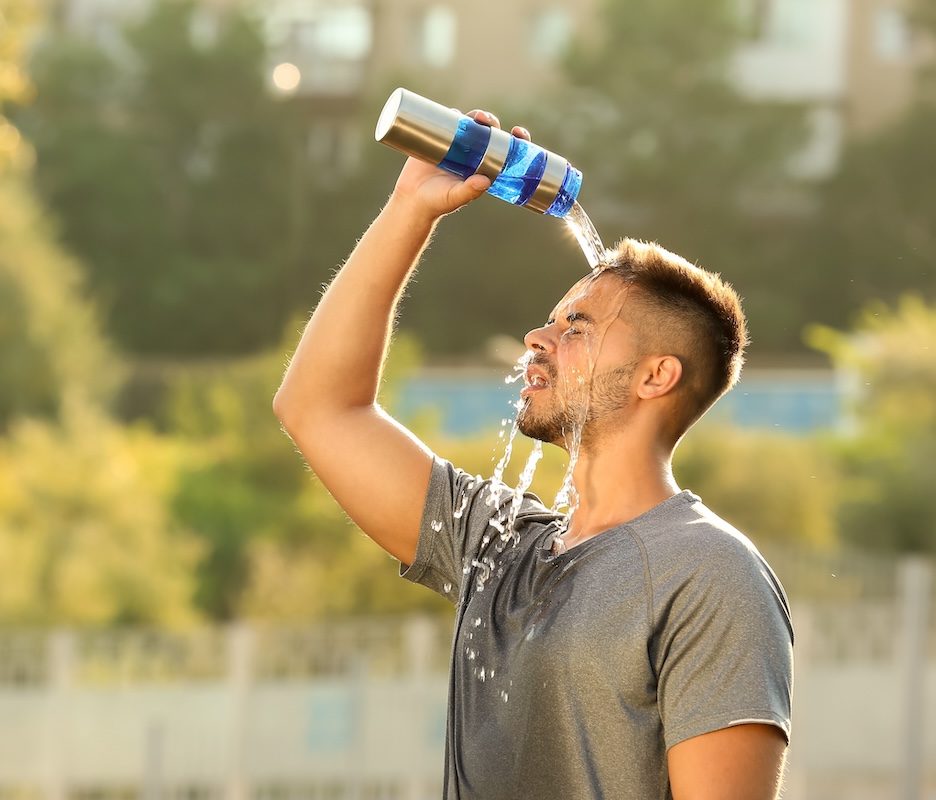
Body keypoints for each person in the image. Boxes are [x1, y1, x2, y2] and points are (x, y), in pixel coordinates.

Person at [272, 110, 793, 799]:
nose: (537, 339)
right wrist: (410, 209)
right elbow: (318, 407)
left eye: (577, 326)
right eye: (550, 321)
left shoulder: (709, 574)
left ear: (656, 376)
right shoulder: (498, 547)